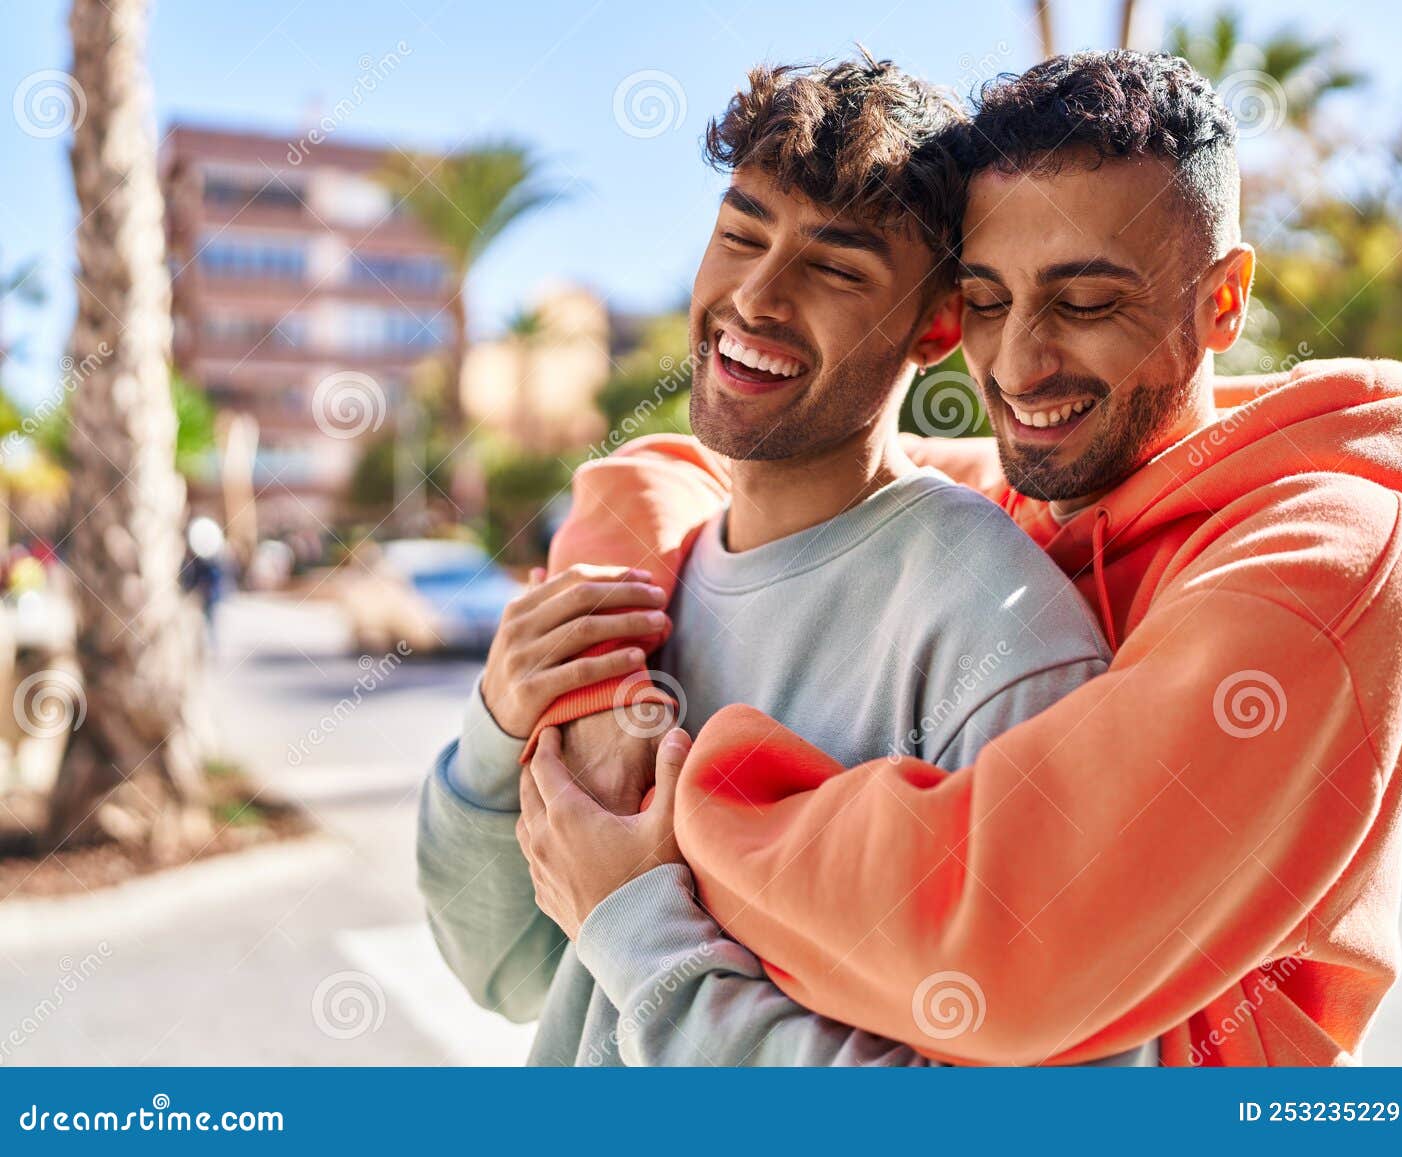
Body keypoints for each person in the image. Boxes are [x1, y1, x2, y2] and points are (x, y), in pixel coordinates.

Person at [515, 50, 1402, 1066]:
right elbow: (705, 468)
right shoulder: (1036, 482)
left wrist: (654, 837)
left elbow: (1000, 945)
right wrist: (603, 643)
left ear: (1222, 299)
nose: (1020, 363)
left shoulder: (1326, 563)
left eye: (1083, 303)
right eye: (988, 300)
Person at [418, 55, 1151, 1066]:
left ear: (937, 324)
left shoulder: (998, 628)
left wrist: (641, 929)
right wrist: (494, 734)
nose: (756, 298)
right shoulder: (647, 587)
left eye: (836, 268)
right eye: (740, 234)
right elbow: (505, 969)